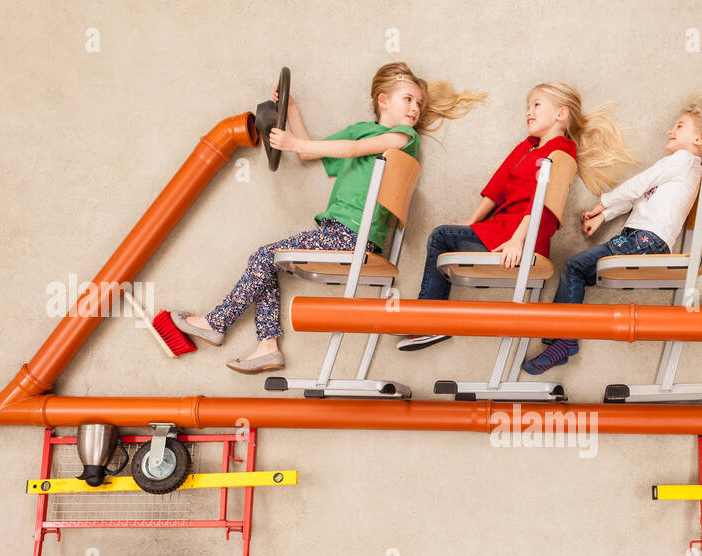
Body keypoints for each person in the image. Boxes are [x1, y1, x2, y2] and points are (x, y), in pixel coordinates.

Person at [172, 63, 484, 373]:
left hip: (353, 237)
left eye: (419, 103)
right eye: (408, 99)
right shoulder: (360, 129)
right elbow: (311, 153)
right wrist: (291, 110)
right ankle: (266, 346)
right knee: (267, 258)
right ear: (383, 99)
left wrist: (295, 143)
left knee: (265, 256)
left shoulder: (405, 137)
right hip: (338, 233)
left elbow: (352, 149)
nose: (415, 108)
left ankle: (217, 322)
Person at [522, 99, 702, 374]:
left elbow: (638, 184)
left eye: (680, 126)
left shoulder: (684, 161)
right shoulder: (685, 169)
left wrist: (602, 204)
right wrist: (604, 217)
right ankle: (560, 335)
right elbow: (639, 195)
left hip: (642, 241)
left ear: (699, 138)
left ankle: (564, 339)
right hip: (645, 242)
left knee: (573, 266)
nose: (670, 130)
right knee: (578, 272)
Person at [396, 81, 635, 352]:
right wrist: (472, 220)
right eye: (527, 107)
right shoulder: (528, 146)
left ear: (561, 114)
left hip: (519, 236)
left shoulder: (561, 150)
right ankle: (428, 319)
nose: (528, 112)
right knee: (446, 234)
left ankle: (429, 321)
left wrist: (519, 240)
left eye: (536, 105)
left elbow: (541, 200)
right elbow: (497, 185)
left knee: (441, 236)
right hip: (502, 229)